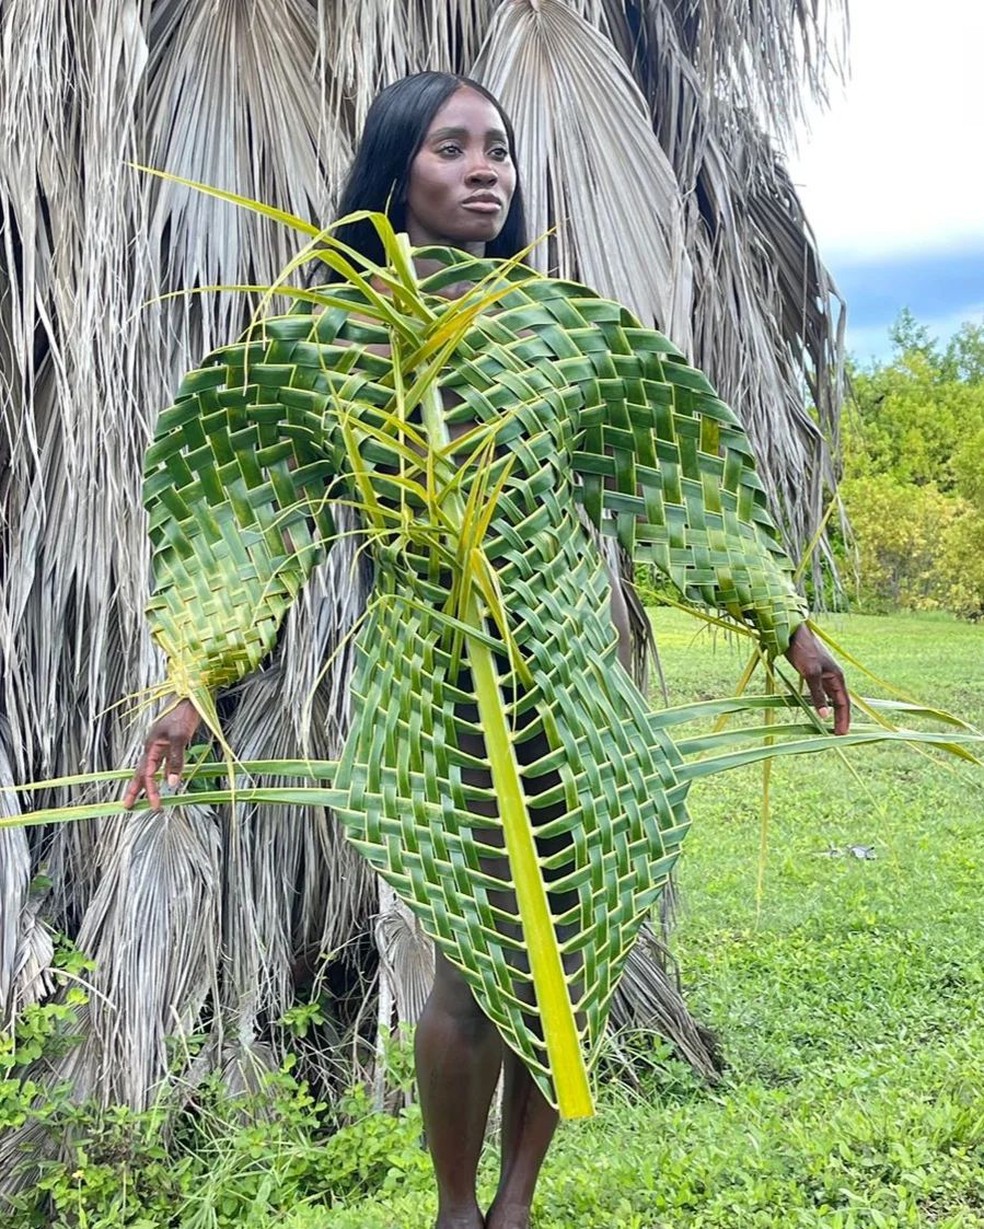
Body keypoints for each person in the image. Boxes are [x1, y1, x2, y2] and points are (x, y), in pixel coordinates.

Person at [124, 72, 850, 1229]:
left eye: (498, 148)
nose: (485, 168)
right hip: (440, 686)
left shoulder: (557, 331)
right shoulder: (329, 340)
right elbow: (246, 517)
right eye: (452, 146)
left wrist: (790, 623)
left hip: (570, 683)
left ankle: (516, 1203)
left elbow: (676, 484)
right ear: (395, 170)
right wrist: (192, 680)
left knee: (567, 948)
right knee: (474, 957)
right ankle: (458, 1209)